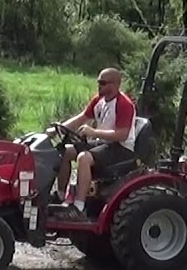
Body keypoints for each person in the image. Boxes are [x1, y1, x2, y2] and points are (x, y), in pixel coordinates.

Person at [48, 67, 137, 216]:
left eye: (103, 83)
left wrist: (94, 132)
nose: (99, 86)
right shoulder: (99, 100)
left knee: (84, 157)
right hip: (104, 143)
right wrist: (59, 129)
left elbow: (122, 134)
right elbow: (82, 117)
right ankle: (61, 195)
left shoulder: (124, 104)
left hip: (121, 148)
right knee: (66, 151)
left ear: (115, 85)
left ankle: (78, 207)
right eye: (98, 82)